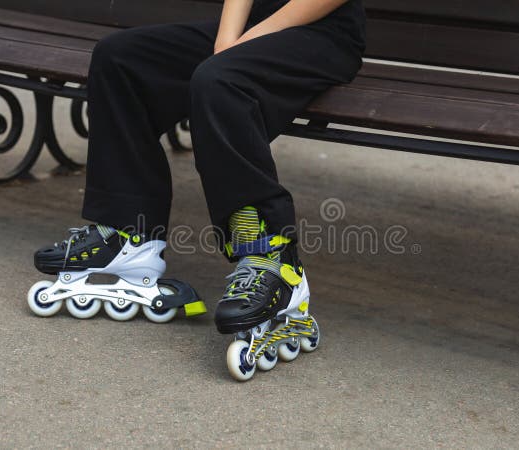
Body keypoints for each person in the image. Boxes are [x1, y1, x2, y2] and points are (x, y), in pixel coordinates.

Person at [26, 0, 366, 381]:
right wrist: (227, 39)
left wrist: (247, 41)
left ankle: (273, 259)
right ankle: (129, 232)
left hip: (322, 34)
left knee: (221, 80)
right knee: (120, 58)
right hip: (251, 28)